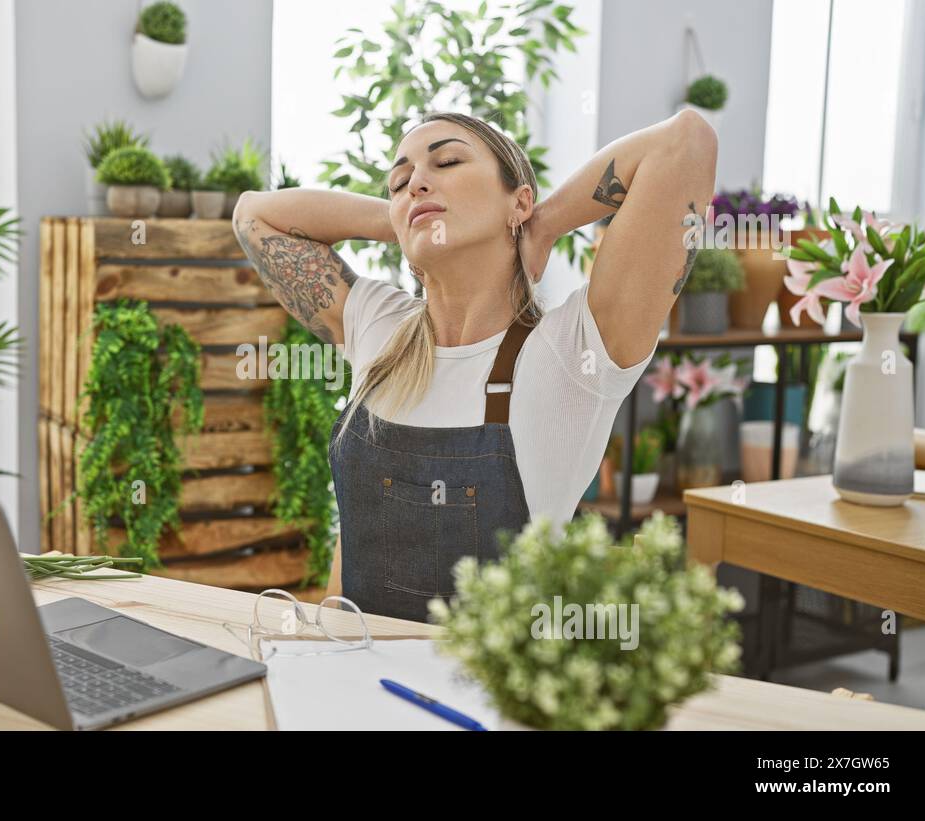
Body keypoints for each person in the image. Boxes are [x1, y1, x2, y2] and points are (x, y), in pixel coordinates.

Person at [232, 109, 717, 622]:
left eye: (447, 161)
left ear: (520, 201)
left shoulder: (574, 353)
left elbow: (686, 142)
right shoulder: (379, 325)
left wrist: (544, 222)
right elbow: (252, 214)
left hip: (488, 695)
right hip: (351, 669)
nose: (417, 180)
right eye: (400, 180)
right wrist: (406, 216)